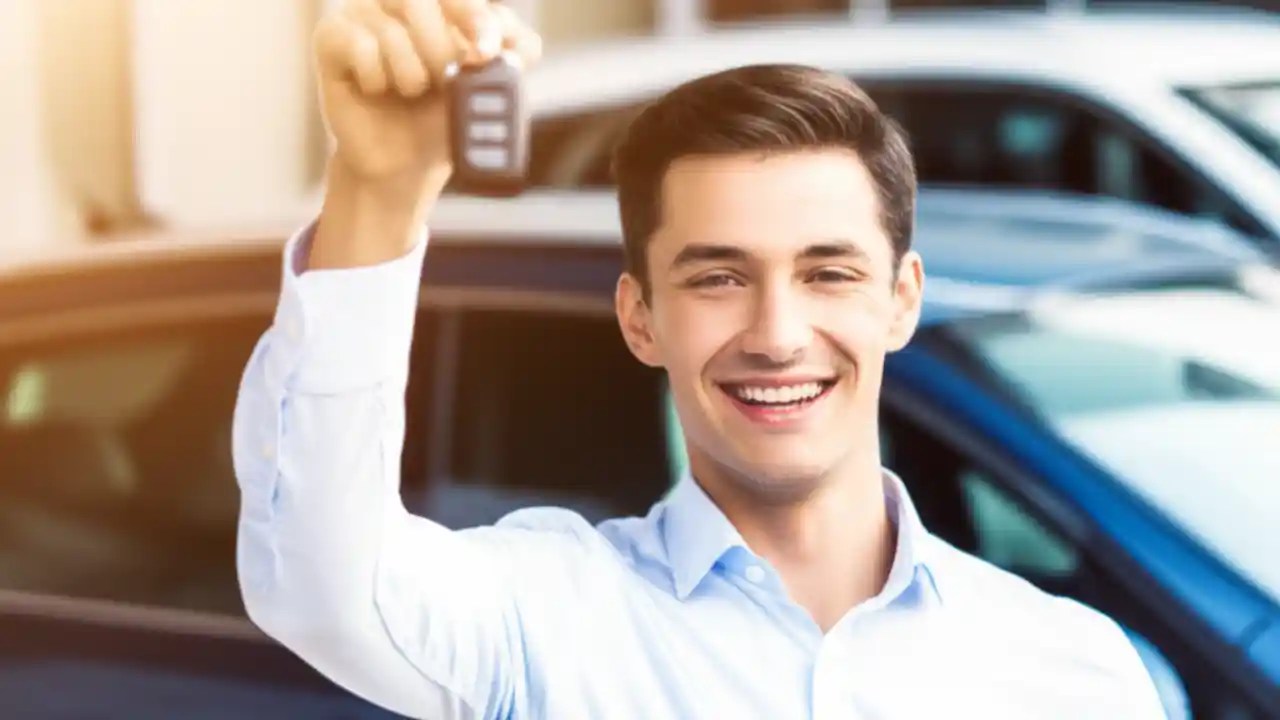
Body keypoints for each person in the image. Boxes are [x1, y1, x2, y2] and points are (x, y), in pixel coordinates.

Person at [232, 1, 1167, 717]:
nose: (777, 333)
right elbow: (323, 582)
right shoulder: (547, 616)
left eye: (828, 273)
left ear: (901, 299)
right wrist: (379, 190)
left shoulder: (1073, 673)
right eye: (719, 278)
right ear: (640, 318)